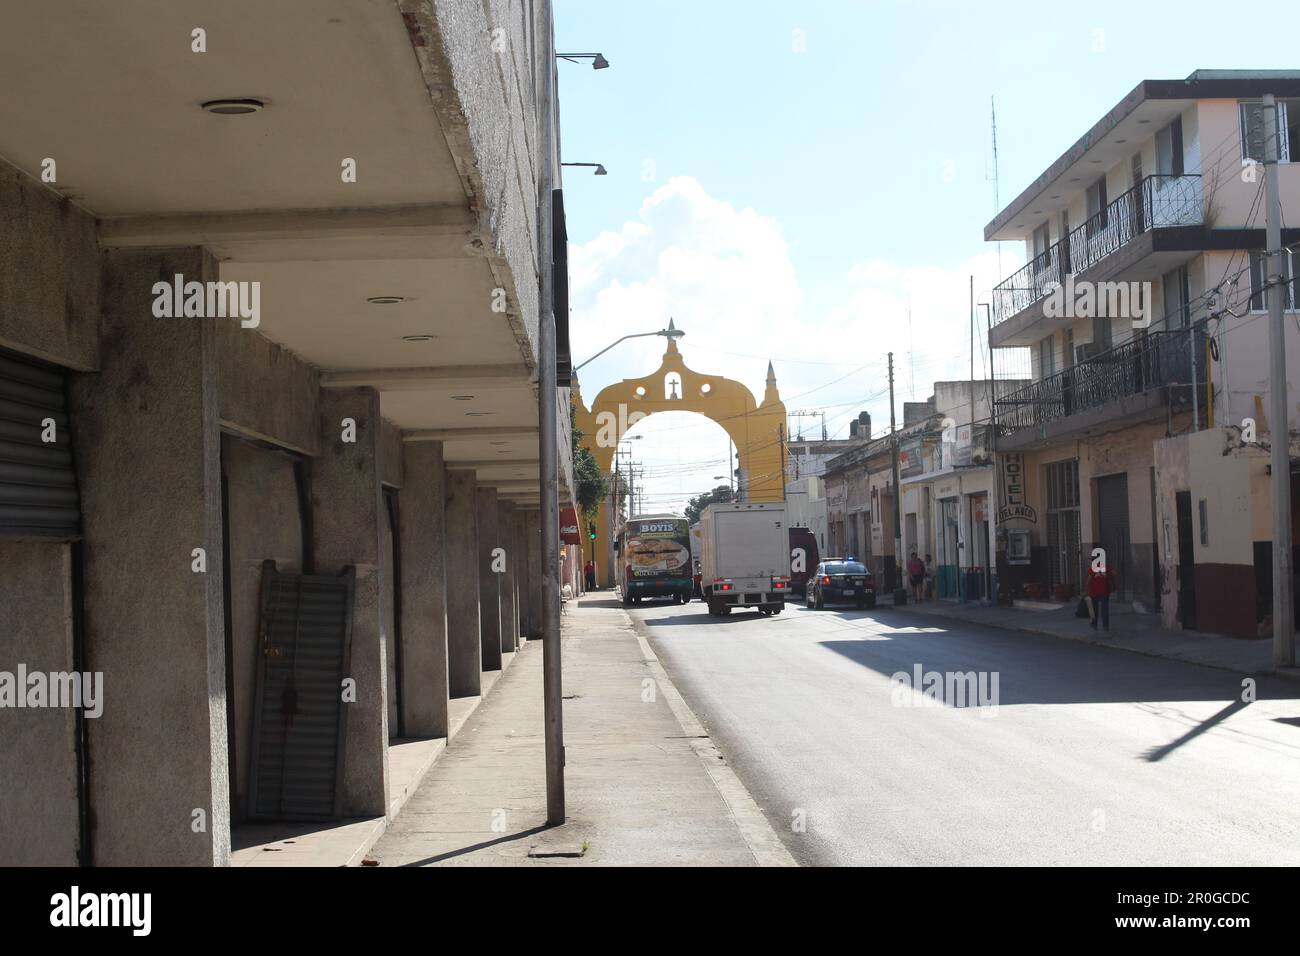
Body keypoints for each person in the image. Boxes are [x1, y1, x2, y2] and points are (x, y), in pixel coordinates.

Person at [1087, 562, 1115, 630]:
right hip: (1104, 591)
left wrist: (1087, 588)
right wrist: (1107, 575)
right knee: (1105, 609)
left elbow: (1089, 578)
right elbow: (1114, 573)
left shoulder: (1093, 567)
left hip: (1094, 591)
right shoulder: (1106, 566)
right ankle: (1105, 625)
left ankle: (1094, 624)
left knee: (1094, 609)